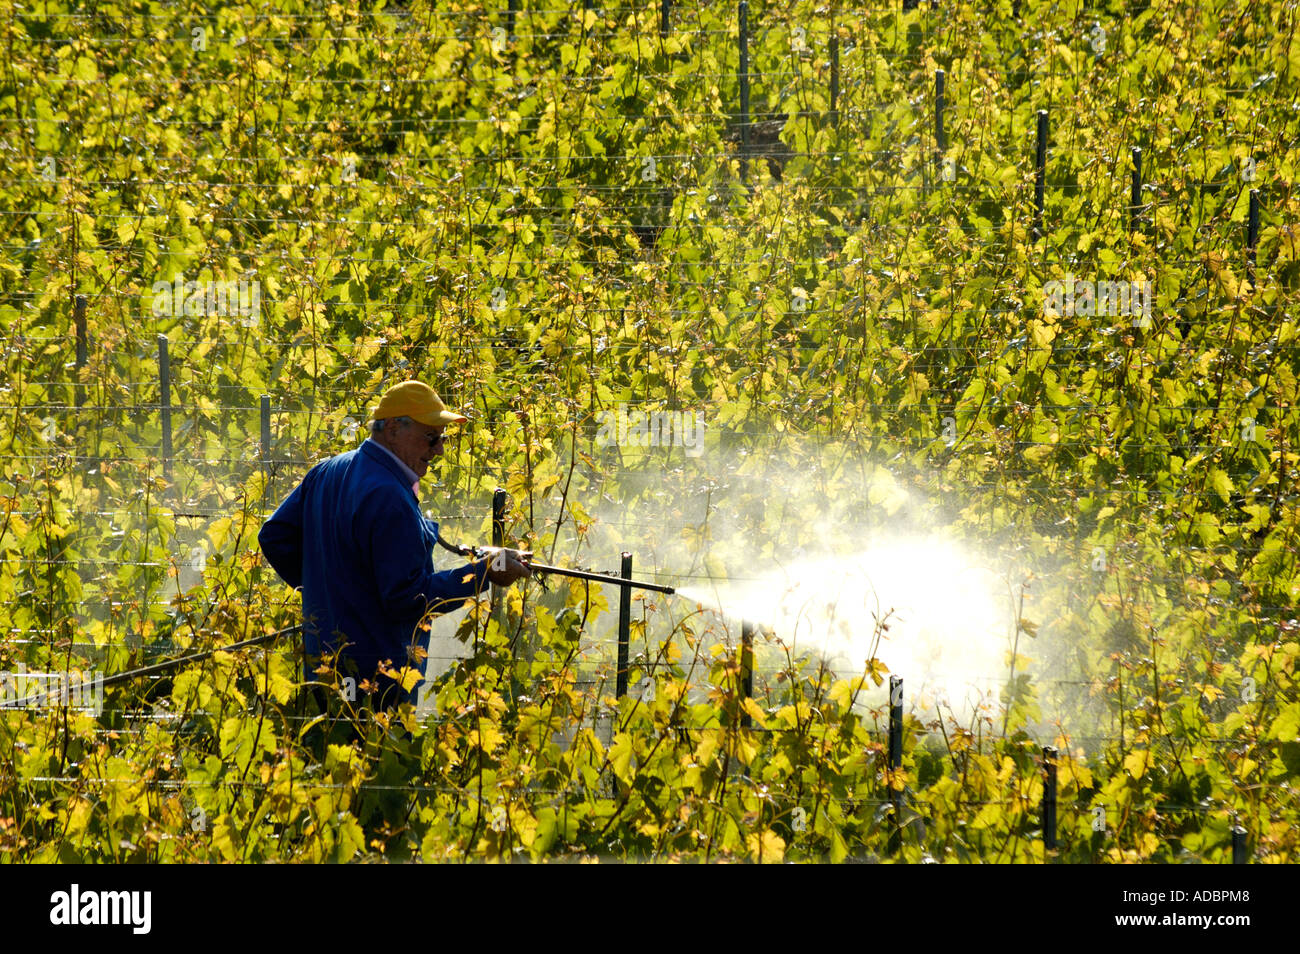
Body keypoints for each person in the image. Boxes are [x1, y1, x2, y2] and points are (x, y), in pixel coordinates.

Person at [258, 380, 531, 709]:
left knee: (322, 753)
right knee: (379, 758)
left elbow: (274, 536)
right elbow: (408, 599)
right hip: (376, 678)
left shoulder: (328, 471)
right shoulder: (388, 496)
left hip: (322, 663)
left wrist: (326, 592)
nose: (439, 449)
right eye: (430, 437)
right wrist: (484, 573)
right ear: (391, 429)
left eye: (442, 438)